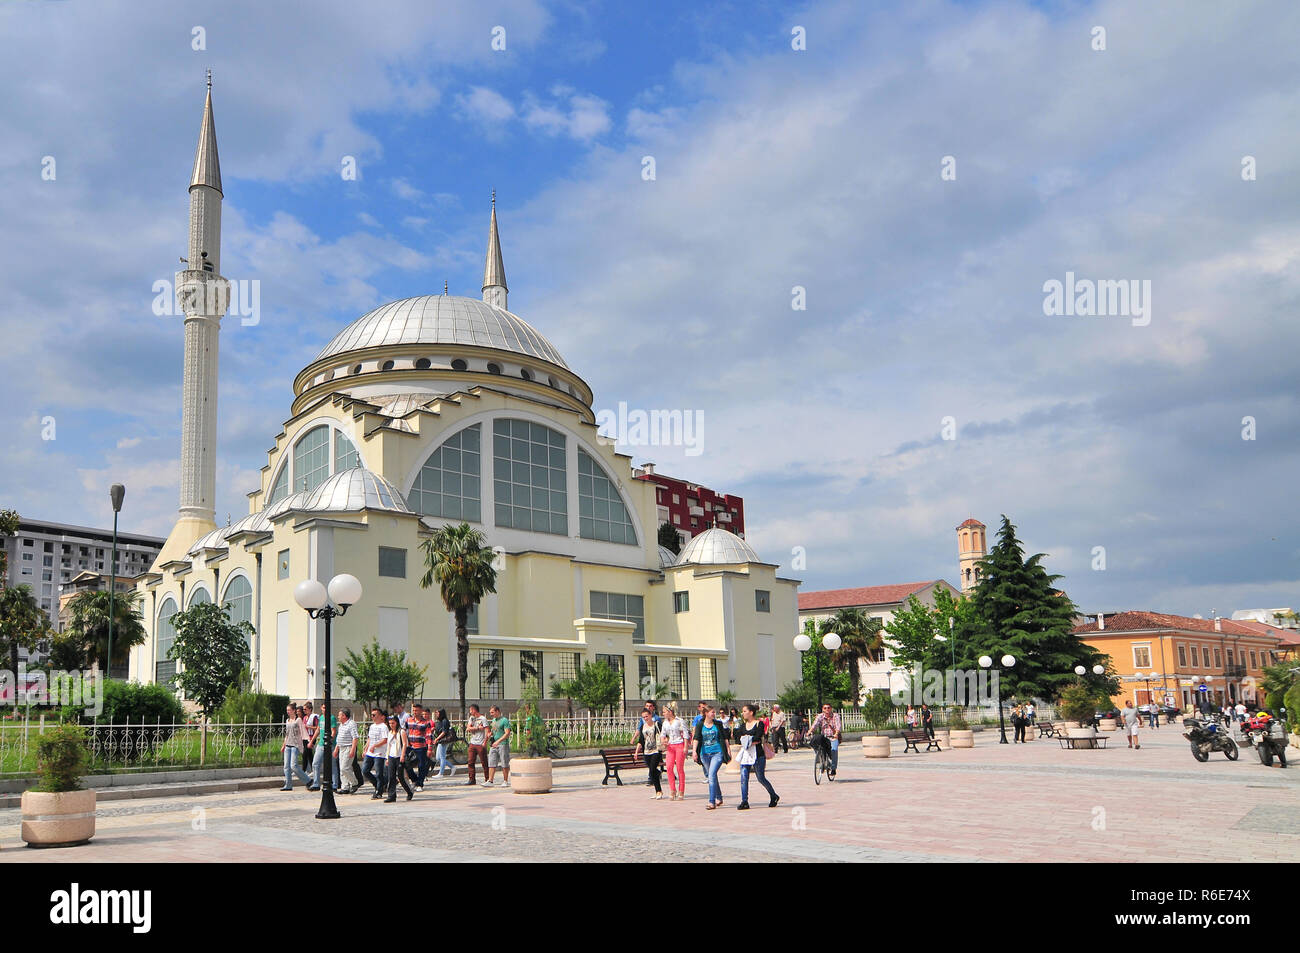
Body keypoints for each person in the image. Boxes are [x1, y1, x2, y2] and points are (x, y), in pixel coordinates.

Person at [734, 703, 779, 810]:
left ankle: (773, 795)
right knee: (744, 778)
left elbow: (758, 738)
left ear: (751, 712)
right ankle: (744, 801)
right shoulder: (742, 725)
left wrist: (746, 739)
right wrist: (748, 739)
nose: (743, 713)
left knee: (761, 778)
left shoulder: (759, 724)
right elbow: (738, 737)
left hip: (758, 754)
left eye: (745, 711)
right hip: (746, 754)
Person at [691, 706, 730, 809]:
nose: (714, 714)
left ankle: (711, 801)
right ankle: (719, 797)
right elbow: (696, 738)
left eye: (714, 712)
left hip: (717, 753)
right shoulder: (700, 725)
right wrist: (694, 751)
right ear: (706, 713)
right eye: (712, 712)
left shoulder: (718, 724)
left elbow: (724, 738)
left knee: (711, 775)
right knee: (712, 776)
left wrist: (728, 750)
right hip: (704, 754)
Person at [280, 703, 315, 791]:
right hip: (288, 745)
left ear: (293, 710)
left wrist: (308, 741)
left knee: (293, 766)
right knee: (286, 767)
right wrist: (283, 745)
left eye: (289, 710)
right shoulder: (287, 720)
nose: (287, 712)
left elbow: (303, 731)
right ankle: (288, 785)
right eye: (287, 710)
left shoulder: (298, 720)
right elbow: (287, 734)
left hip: (295, 745)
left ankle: (308, 780)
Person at [660, 706, 691, 799]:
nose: (663, 714)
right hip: (670, 746)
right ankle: (672, 789)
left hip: (679, 745)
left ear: (670, 712)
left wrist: (685, 746)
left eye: (664, 712)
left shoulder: (679, 721)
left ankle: (681, 790)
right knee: (669, 767)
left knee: (679, 768)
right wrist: (663, 740)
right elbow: (663, 734)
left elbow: (685, 734)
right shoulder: (665, 723)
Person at [633, 709, 664, 799]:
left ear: (650, 715)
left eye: (647, 716)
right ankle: (658, 791)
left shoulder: (656, 724)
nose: (645, 718)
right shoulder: (643, 726)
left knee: (652, 770)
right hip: (646, 751)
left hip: (656, 750)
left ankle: (658, 791)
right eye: (643, 717)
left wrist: (665, 744)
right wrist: (636, 752)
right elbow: (641, 741)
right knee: (653, 771)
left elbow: (663, 735)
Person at [383, 714, 414, 802]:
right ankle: (391, 795)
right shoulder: (389, 733)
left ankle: (409, 791)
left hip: (399, 756)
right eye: (390, 723)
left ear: (396, 723)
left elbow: (405, 744)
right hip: (391, 756)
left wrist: (403, 755)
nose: (391, 725)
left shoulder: (401, 732)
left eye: (393, 723)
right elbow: (388, 746)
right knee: (391, 776)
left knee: (401, 777)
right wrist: (387, 758)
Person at [808, 703, 842, 777]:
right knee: (815, 742)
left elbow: (838, 725)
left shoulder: (835, 716)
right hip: (824, 737)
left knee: (834, 750)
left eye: (828, 708)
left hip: (833, 737)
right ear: (823, 709)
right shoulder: (820, 716)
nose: (827, 710)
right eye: (825, 708)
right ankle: (820, 758)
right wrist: (809, 732)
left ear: (831, 708)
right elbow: (815, 724)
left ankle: (833, 768)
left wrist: (836, 734)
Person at [363, 708, 390, 798]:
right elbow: (369, 738)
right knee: (365, 770)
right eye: (372, 715)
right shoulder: (372, 726)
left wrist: (375, 746)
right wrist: (366, 748)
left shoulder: (383, 727)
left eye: (374, 715)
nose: (372, 717)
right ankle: (379, 784)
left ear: (380, 716)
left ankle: (379, 792)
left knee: (379, 773)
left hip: (379, 753)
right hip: (370, 752)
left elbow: (385, 740)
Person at [333, 707, 360, 794]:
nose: (338, 717)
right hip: (341, 747)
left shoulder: (351, 724)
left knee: (345, 768)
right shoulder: (341, 725)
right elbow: (339, 738)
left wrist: (352, 750)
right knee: (341, 769)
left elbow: (355, 738)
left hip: (348, 747)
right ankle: (345, 787)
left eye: (339, 715)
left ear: (344, 716)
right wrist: (336, 748)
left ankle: (354, 782)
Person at [406, 704, 430, 791]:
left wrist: (430, 748)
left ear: (421, 711)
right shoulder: (408, 720)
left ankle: (420, 784)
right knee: (407, 764)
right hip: (410, 746)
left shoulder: (426, 723)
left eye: (416, 710)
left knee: (421, 766)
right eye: (414, 710)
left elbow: (429, 736)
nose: (415, 712)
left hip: (421, 747)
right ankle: (414, 780)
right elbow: (404, 731)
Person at [465, 704, 490, 785]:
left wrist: (485, 742)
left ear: (474, 710)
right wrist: (477, 728)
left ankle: (487, 779)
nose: (470, 712)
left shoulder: (483, 719)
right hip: (473, 742)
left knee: (484, 762)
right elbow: (468, 728)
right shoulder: (472, 718)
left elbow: (487, 730)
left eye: (471, 710)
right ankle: (472, 779)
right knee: (470, 761)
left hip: (480, 743)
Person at [487, 704, 511, 787]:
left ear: (497, 711)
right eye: (490, 712)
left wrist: (499, 741)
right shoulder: (493, 720)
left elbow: (507, 733)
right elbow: (494, 730)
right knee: (491, 762)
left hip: (502, 744)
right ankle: (490, 780)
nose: (491, 714)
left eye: (492, 712)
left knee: (504, 762)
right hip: (494, 744)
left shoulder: (504, 720)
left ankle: (505, 780)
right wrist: (490, 734)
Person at [430, 708, 453, 779]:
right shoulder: (440, 721)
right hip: (440, 741)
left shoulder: (445, 721)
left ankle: (441, 773)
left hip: (444, 740)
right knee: (438, 757)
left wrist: (437, 739)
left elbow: (444, 732)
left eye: (438, 713)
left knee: (442, 757)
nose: (436, 714)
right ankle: (452, 767)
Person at [301, 701, 319, 775]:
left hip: (311, 737)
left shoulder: (314, 717)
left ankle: (303, 770)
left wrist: (308, 727)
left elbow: (317, 727)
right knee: (309, 754)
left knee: (305, 753)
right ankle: (313, 769)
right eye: (303, 709)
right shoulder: (305, 717)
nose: (304, 711)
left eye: (305, 709)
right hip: (305, 737)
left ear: (310, 709)